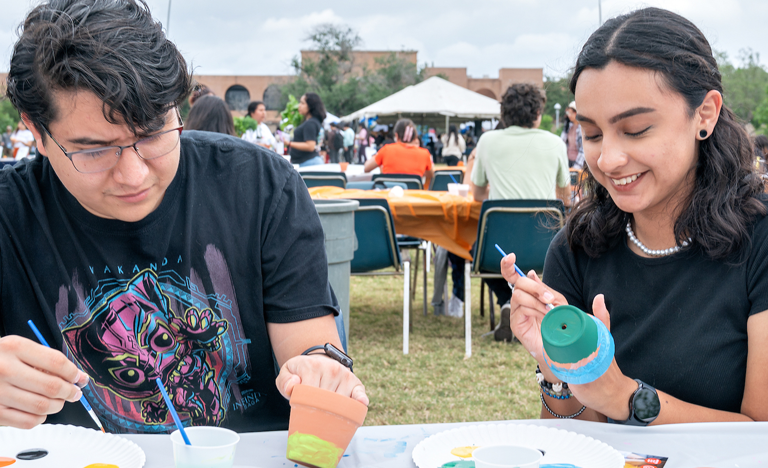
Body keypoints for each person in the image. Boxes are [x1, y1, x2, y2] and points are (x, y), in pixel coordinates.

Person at [1, 0, 366, 434]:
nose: (134, 175)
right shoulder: (10, 214)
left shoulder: (259, 186)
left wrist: (319, 373)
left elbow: (308, 347)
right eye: (95, 149)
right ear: (36, 131)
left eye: (154, 133)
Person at [501, 7, 768, 425]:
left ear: (705, 114)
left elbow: (761, 436)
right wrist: (558, 371)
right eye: (591, 134)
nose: (607, 159)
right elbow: (575, 439)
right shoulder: (576, 249)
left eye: (637, 129)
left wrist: (626, 397)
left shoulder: (760, 240)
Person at [470, 83, 570, 340]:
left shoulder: (487, 141)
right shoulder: (555, 142)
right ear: (538, 112)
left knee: (475, 251)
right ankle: (524, 305)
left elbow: (478, 194)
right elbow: (565, 197)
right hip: (546, 246)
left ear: (504, 114)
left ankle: (507, 301)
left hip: (498, 250)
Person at [364, 118, 434, 182]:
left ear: (396, 135)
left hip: (390, 193)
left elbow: (366, 168)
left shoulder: (386, 150)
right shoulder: (424, 154)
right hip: (413, 194)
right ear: (415, 137)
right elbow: (430, 174)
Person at [287, 93, 325, 167]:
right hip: (309, 162)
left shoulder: (311, 123)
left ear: (311, 106)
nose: (299, 106)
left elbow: (310, 146)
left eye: (302, 103)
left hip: (309, 163)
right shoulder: (313, 121)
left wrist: (289, 143)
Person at [560, 101, 585, 169]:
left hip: (579, 163)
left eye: (572, 113)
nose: (569, 115)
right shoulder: (568, 126)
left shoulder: (582, 128)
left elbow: (583, 150)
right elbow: (562, 143)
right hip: (567, 161)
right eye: (568, 113)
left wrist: (576, 167)